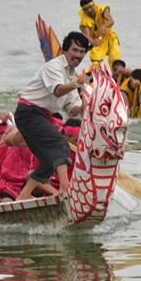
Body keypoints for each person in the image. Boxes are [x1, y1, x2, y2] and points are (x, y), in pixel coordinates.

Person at [14, 31, 90, 200]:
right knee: (60, 145)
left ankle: (22, 197)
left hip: (40, 115)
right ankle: (65, 189)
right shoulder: (53, 66)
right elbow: (57, 91)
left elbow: (72, 110)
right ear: (65, 50)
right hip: (28, 112)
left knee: (48, 161)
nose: (77, 55)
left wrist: (86, 103)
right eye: (74, 50)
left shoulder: (72, 75)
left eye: (81, 52)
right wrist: (76, 84)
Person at [78, 0, 120, 68]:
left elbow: (111, 21)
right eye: (86, 9)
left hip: (110, 37)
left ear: (94, 5)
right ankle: (93, 75)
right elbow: (88, 36)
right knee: (95, 59)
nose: (89, 10)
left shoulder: (102, 9)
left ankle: (117, 76)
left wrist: (104, 26)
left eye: (90, 7)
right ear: (83, 10)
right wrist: (93, 41)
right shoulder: (84, 21)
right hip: (98, 40)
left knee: (115, 58)